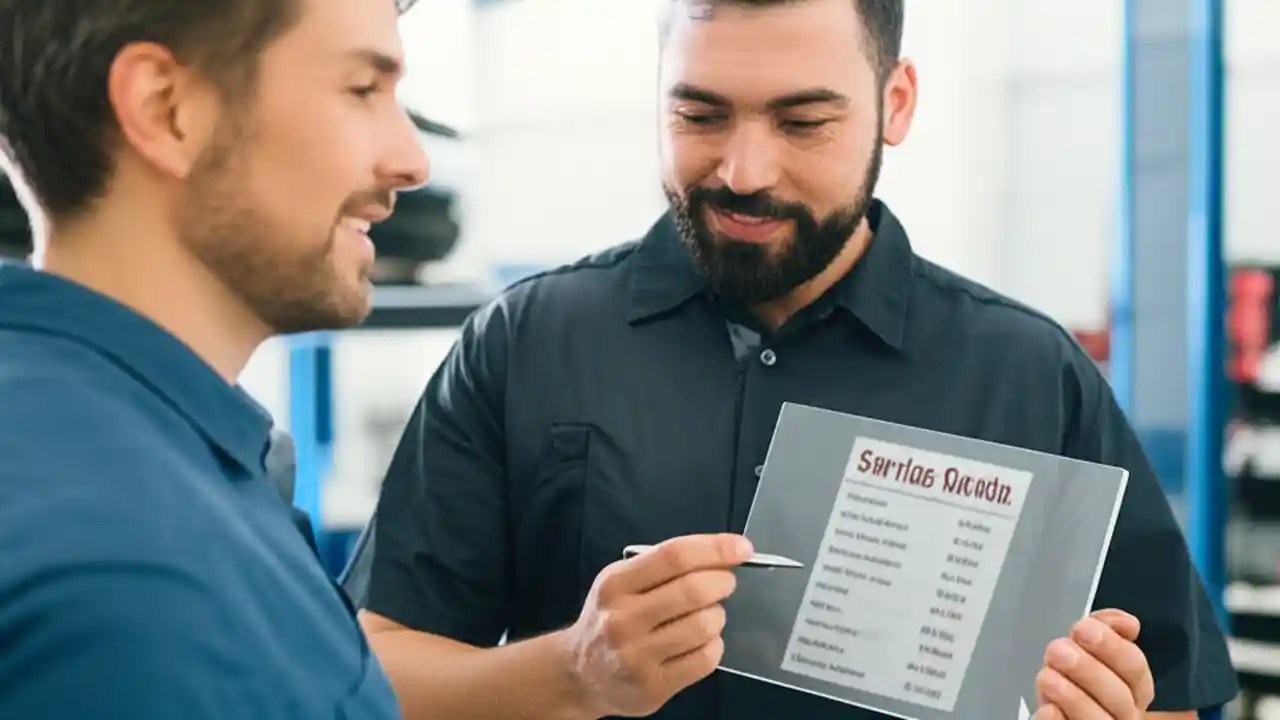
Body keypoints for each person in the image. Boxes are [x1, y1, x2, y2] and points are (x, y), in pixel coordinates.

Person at [345, 0, 1239, 718]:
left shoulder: (1026, 375)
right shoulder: (528, 342)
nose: (743, 170)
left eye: (802, 120)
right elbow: (365, 672)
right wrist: (572, 674)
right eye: (699, 113)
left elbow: (1167, 693)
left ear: (897, 104)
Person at [0, 0, 428, 717]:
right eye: (362, 90)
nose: (412, 161)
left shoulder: (139, 457)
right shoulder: (133, 582)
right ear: (168, 110)